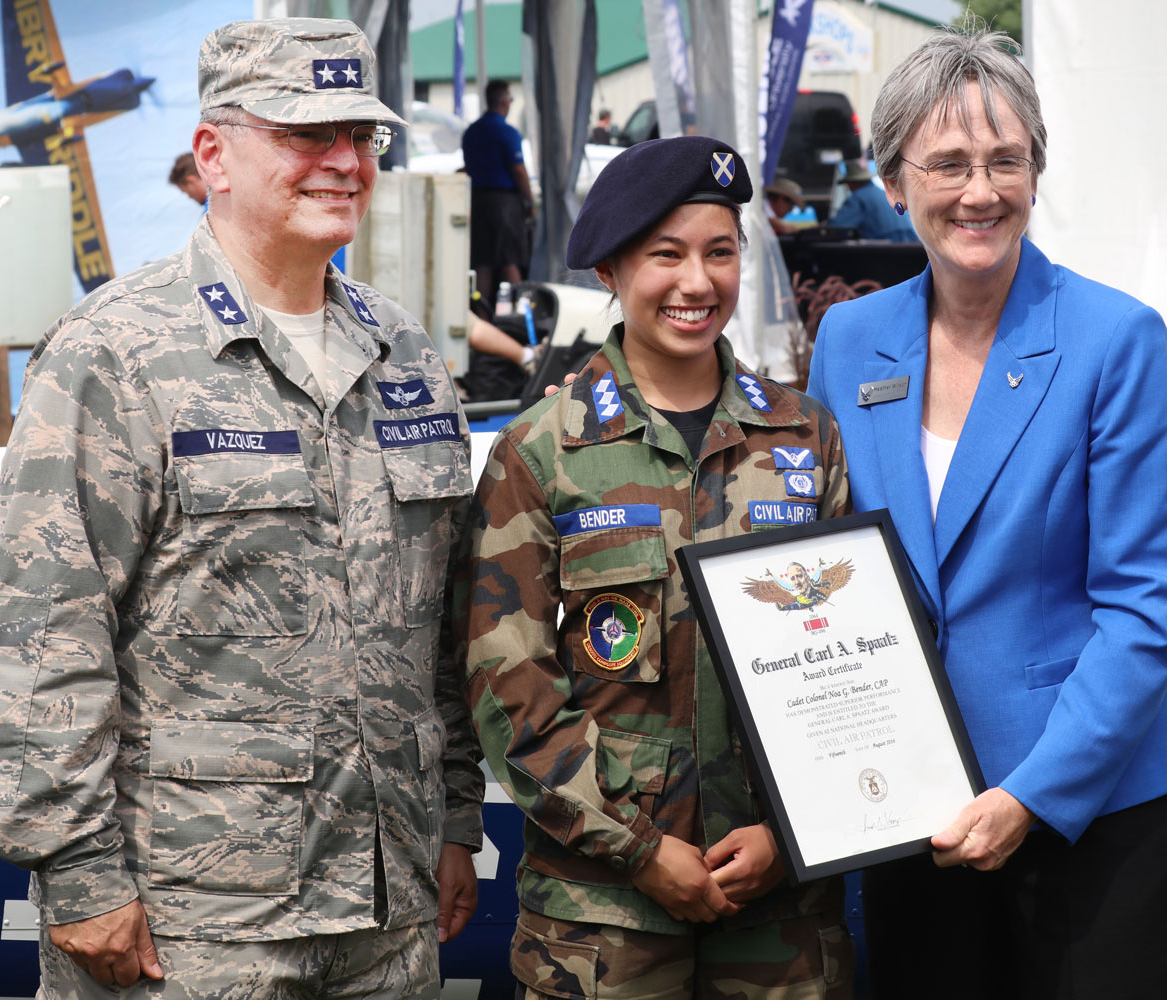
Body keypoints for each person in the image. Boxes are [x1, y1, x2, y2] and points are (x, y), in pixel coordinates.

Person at [0, 18, 483, 999]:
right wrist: (79, 873)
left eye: (361, 136)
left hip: (387, 920)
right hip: (191, 930)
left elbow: (442, 627)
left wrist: (457, 818)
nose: (344, 161)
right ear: (213, 153)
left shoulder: (408, 358)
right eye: (306, 134)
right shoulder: (114, 355)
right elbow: (44, 634)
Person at [808, 25, 1167, 999]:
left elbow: (1146, 608)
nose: (980, 191)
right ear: (892, 180)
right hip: (904, 808)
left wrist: (1033, 794)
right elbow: (828, 564)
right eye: (949, 163)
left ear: (1037, 173)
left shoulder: (1118, 342)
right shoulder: (848, 339)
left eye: (1007, 160)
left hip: (1085, 810)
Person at [458, 135, 855, 999]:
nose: (696, 282)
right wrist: (637, 852)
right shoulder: (544, 450)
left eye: (720, 253)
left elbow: (850, 664)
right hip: (602, 920)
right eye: (664, 255)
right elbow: (507, 683)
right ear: (609, 269)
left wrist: (791, 835)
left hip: (779, 910)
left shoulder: (803, 435)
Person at [462, 80, 534, 305]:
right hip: (504, 203)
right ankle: (521, 316)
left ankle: (483, 315)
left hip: (478, 200)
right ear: (505, 102)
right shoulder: (507, 132)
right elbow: (519, 170)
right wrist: (530, 201)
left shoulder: (471, 132)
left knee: (483, 261)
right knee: (509, 260)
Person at [826, 159, 916, 241]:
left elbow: (836, 228)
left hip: (886, 250)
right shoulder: (884, 193)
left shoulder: (858, 198)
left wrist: (822, 227)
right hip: (911, 247)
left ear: (852, 182)